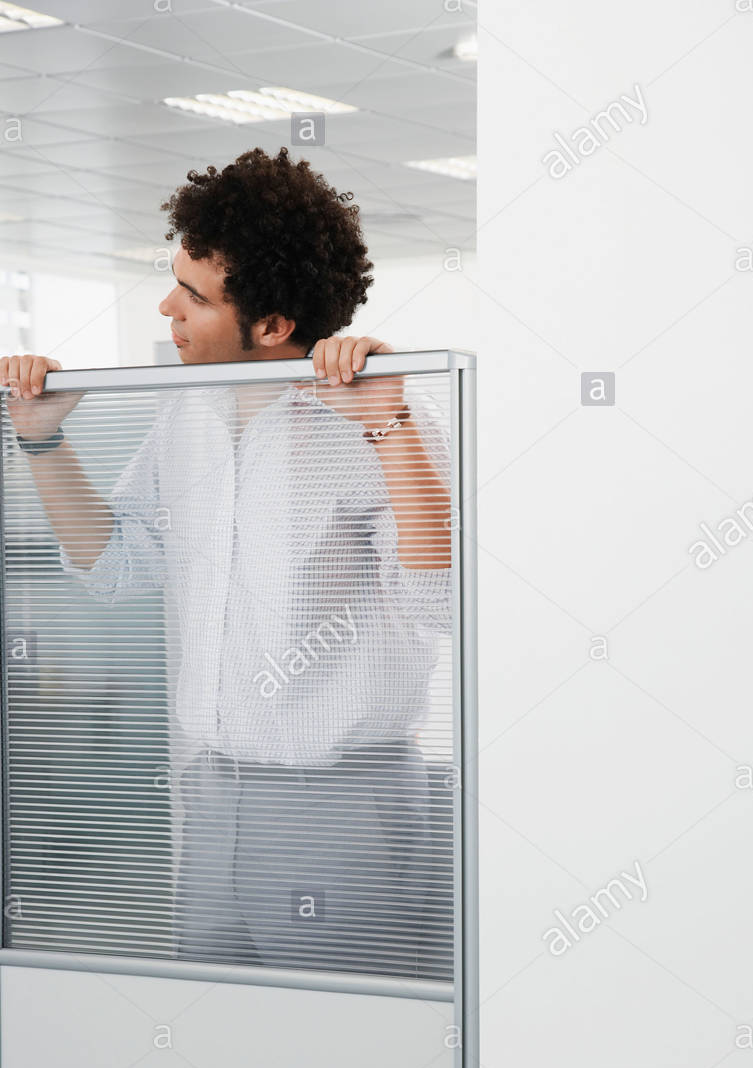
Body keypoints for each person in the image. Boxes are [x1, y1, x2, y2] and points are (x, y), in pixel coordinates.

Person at [0, 147, 453, 979]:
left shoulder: (391, 412)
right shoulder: (190, 413)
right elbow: (118, 566)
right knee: (217, 1041)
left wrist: (389, 431)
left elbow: (442, 602)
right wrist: (42, 437)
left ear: (273, 324)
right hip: (211, 793)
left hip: (342, 807)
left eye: (195, 296)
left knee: (339, 1058)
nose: (168, 307)